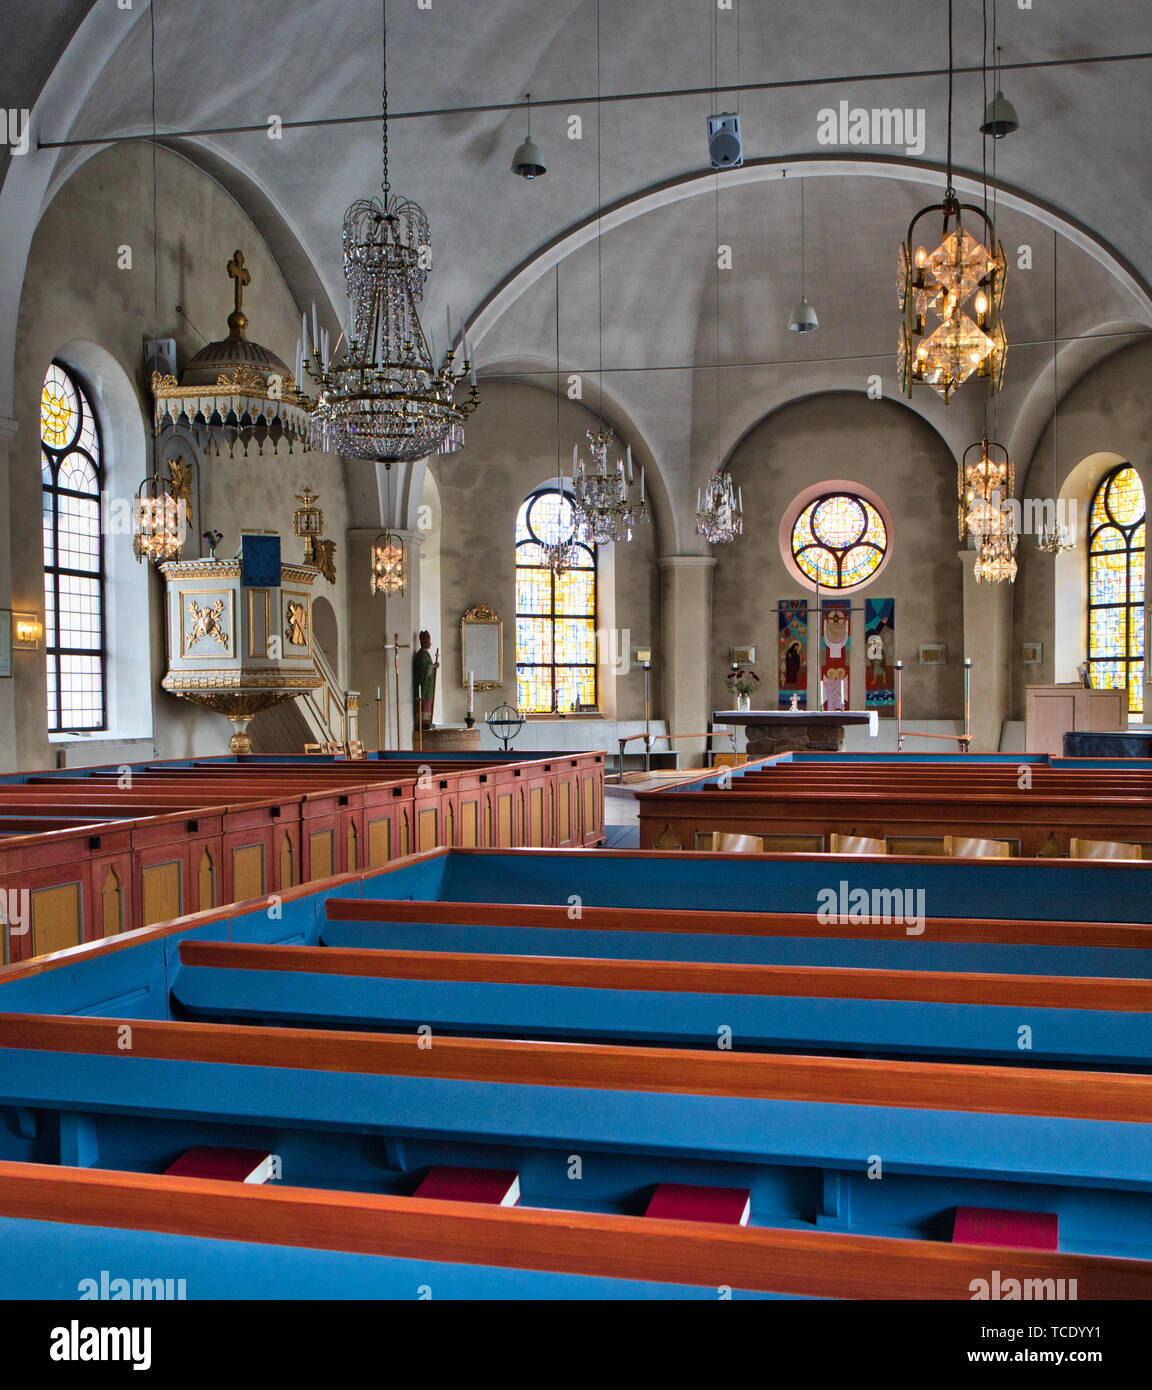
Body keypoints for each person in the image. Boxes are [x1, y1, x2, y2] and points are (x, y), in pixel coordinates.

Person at [413, 631, 439, 730]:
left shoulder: (426, 654)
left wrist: (433, 667)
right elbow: (423, 669)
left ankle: (426, 720)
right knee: (424, 704)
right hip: (423, 688)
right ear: (424, 642)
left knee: (428, 704)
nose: (430, 643)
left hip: (428, 688)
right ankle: (423, 720)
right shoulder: (421, 655)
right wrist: (433, 667)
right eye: (428, 641)